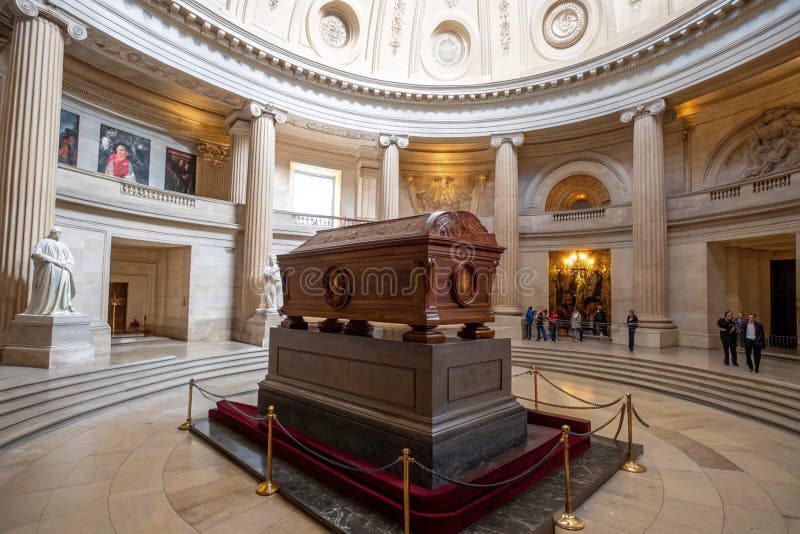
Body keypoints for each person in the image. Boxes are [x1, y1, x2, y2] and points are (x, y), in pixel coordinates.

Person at [23, 227, 77, 315]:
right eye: (57, 233)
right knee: (48, 289)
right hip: (50, 270)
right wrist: (53, 260)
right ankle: (46, 308)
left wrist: (65, 263)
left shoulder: (63, 245)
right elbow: (35, 254)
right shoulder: (44, 242)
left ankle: (61, 307)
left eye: (60, 233)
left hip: (63, 270)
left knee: (62, 288)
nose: (59, 235)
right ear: (52, 233)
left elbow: (71, 258)